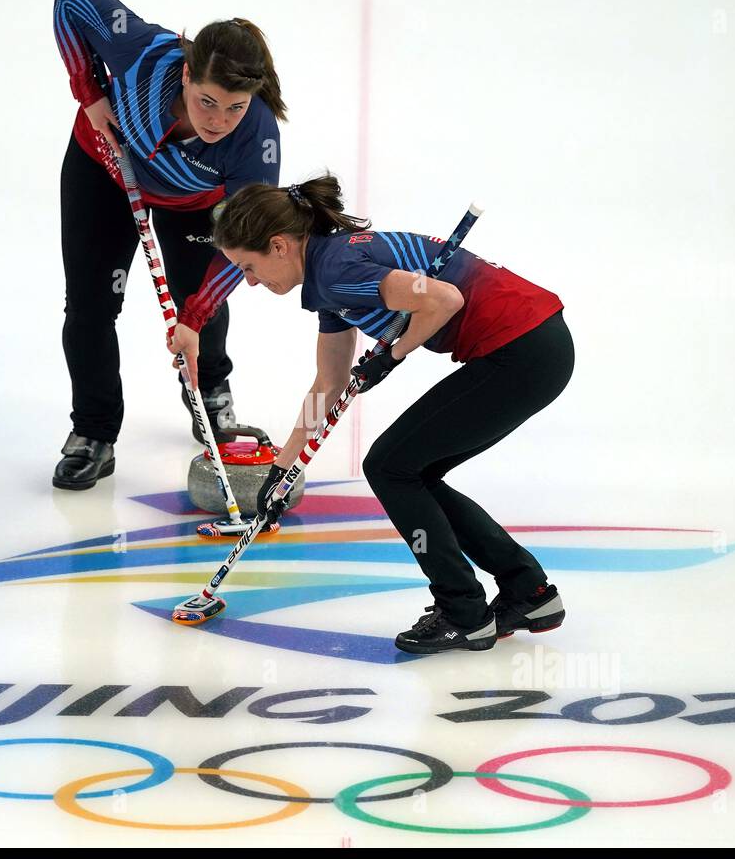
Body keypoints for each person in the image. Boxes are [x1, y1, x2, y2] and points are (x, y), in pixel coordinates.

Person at [206, 176, 576, 654]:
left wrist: (393, 353)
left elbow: (443, 298)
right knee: (413, 471)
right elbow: (329, 383)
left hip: (521, 350)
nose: (251, 282)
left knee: (390, 467)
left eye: (248, 267)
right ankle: (528, 591)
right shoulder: (328, 276)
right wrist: (283, 468)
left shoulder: (337, 268)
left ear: (279, 246)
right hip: (533, 346)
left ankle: (462, 611)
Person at [51, 0, 286, 489]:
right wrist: (89, 94)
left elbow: (243, 247)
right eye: (206, 102)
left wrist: (194, 318)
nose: (218, 122)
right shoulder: (141, 52)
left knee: (198, 299)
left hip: (194, 205)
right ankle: (93, 432)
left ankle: (210, 389)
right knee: (91, 305)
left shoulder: (256, 140)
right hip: (104, 169)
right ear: (185, 74)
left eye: (235, 108)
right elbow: (70, 0)